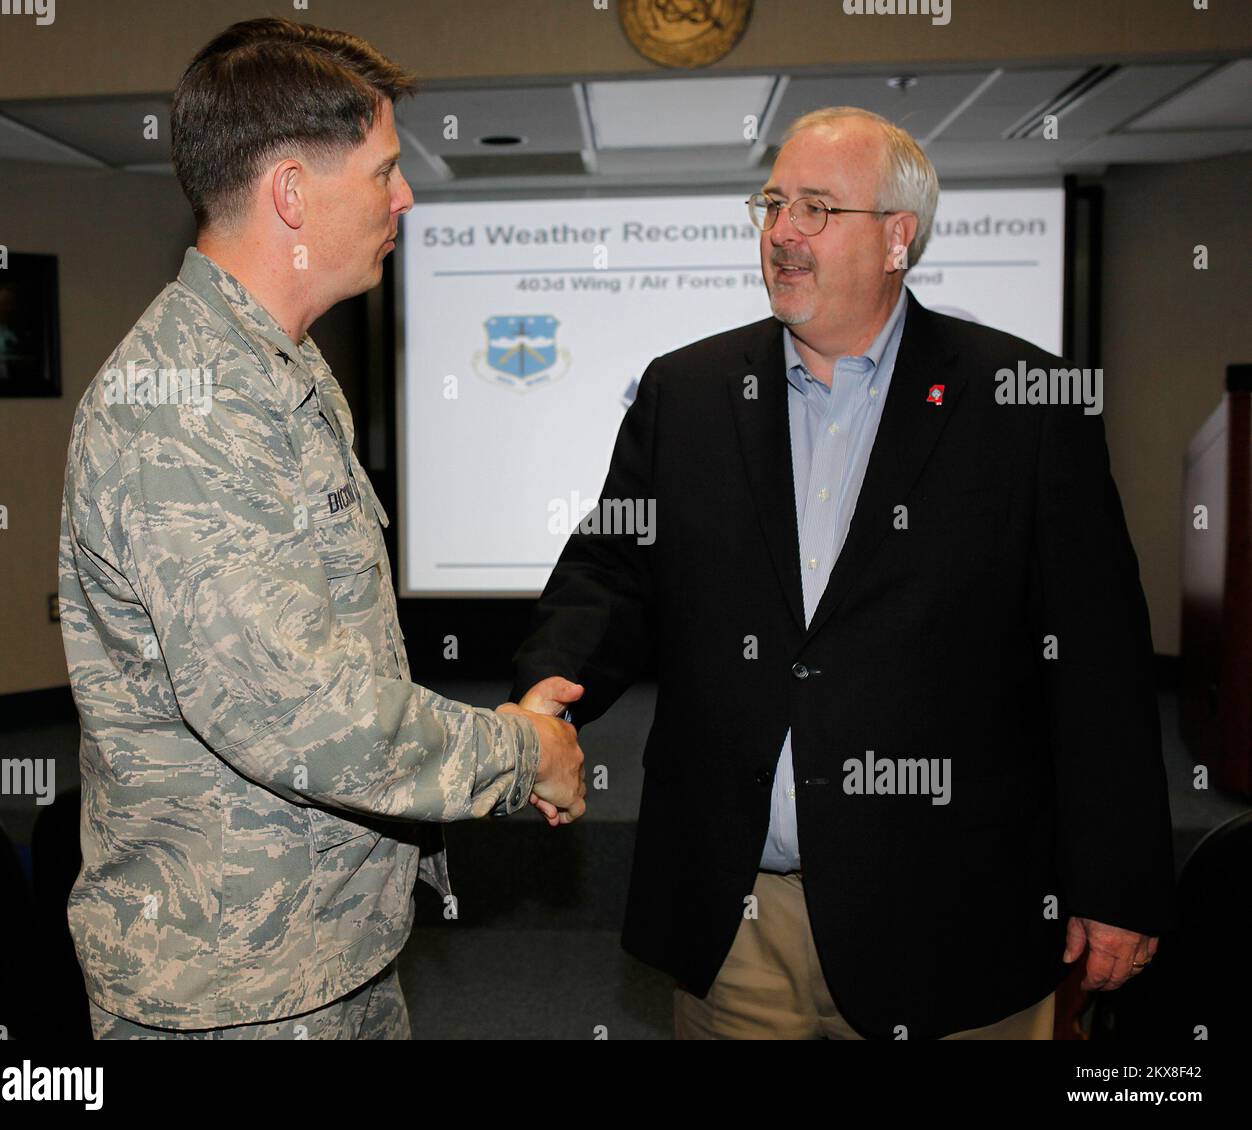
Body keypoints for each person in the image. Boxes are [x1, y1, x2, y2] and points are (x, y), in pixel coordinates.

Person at [512, 106, 1176, 1040]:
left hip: (953, 920)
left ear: (898, 238)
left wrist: (1116, 881)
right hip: (738, 919)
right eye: (774, 203)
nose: (783, 232)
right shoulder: (688, 391)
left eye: (818, 208)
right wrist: (551, 690)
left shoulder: (1025, 405)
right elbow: (613, 573)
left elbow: (1097, 665)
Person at [59, 16, 584, 1041]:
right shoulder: (186, 406)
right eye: (385, 170)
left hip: (325, 955)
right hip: (230, 994)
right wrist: (519, 754)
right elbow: (302, 715)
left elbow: (331, 655)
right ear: (292, 192)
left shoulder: (283, 373)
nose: (405, 197)